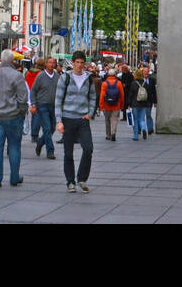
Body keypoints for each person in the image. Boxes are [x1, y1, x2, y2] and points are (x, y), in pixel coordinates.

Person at [0, 48, 29, 187]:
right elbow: (23, 98)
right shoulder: (17, 76)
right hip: (14, 115)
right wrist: (21, 112)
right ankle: (14, 177)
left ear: (1, 60)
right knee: (14, 147)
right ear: (12, 61)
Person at [55, 50, 98, 192]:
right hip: (68, 118)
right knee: (68, 153)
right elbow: (58, 100)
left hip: (82, 119)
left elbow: (92, 97)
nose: (79, 65)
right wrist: (59, 120)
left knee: (88, 148)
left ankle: (82, 178)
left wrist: (90, 113)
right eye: (77, 62)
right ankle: (70, 181)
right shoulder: (65, 78)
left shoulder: (88, 78)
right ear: (72, 63)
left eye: (81, 62)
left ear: (84, 64)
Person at [30, 56, 60, 158]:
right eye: (50, 63)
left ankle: (40, 143)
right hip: (42, 105)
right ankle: (50, 151)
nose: (52, 65)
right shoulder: (40, 76)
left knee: (52, 128)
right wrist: (33, 104)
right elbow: (33, 90)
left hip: (53, 106)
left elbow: (60, 91)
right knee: (47, 128)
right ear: (46, 64)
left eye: (53, 63)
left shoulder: (57, 76)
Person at [126, 65, 156, 142]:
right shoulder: (145, 84)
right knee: (142, 119)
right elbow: (149, 94)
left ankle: (136, 136)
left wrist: (128, 103)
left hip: (135, 104)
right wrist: (149, 102)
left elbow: (130, 94)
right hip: (144, 104)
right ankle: (143, 129)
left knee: (135, 120)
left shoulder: (133, 83)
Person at [97, 67, 125, 141]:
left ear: (108, 74)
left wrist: (101, 105)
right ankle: (113, 133)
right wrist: (122, 104)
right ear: (115, 74)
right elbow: (122, 95)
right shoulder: (119, 83)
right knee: (114, 120)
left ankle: (108, 135)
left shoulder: (104, 83)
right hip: (116, 105)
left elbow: (102, 95)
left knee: (107, 120)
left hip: (107, 105)